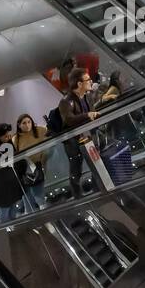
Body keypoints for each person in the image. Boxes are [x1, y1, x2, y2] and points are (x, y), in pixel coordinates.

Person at [58, 67, 100, 198]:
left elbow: (92, 114)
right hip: (73, 142)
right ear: (79, 84)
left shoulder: (87, 97)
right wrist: (87, 115)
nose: (90, 82)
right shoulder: (66, 101)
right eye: (88, 80)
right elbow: (69, 119)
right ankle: (78, 196)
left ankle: (98, 189)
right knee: (76, 170)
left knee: (97, 164)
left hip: (89, 136)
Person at [0, 124, 24, 224]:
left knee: (13, 206)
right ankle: (7, 228)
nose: (8, 138)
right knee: (5, 209)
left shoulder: (8, 144)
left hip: (13, 180)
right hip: (2, 184)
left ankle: (13, 226)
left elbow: (15, 157)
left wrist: (10, 142)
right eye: (5, 136)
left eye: (9, 136)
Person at [14, 114, 49, 211]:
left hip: (38, 165)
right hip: (24, 169)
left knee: (39, 195)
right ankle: (30, 218)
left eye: (29, 122)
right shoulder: (16, 139)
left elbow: (49, 133)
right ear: (19, 125)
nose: (27, 125)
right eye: (24, 123)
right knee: (27, 198)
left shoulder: (39, 130)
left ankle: (44, 213)